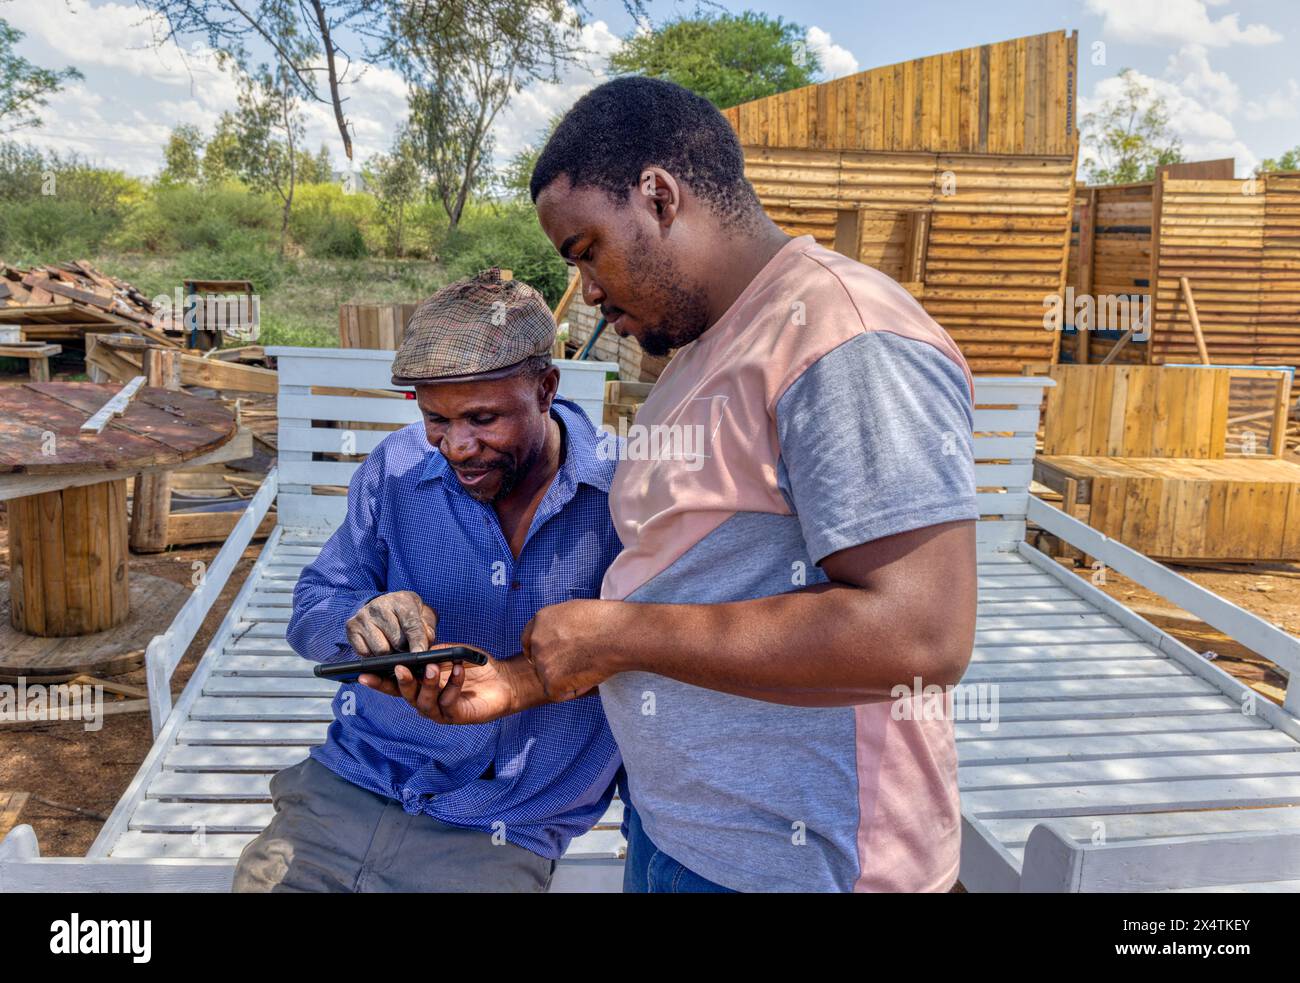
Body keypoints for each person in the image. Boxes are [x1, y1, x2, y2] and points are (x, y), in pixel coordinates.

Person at [390, 78, 979, 894]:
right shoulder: (710, 343)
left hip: (806, 862)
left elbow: (919, 635)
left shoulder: (846, 336)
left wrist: (619, 635)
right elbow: (703, 576)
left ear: (659, 195)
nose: (588, 291)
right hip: (685, 831)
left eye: (586, 250)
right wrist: (525, 680)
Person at [232, 268, 622, 893]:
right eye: (436, 418)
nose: (457, 446)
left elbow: (658, 657)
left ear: (546, 388)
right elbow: (312, 606)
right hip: (348, 787)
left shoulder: (625, 495)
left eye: (483, 418)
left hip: (500, 826)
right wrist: (360, 614)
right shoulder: (398, 469)